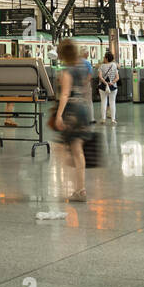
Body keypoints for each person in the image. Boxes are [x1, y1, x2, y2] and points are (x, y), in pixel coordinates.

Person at [54, 39, 96, 202]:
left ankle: (77, 188)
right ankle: (81, 189)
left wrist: (59, 115)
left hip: (72, 112)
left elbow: (65, 94)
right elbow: (85, 87)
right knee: (78, 151)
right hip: (83, 110)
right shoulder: (82, 67)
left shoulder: (67, 71)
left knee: (67, 149)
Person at [97, 52, 118, 124]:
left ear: (106, 58)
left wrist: (105, 83)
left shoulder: (101, 66)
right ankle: (113, 119)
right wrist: (112, 82)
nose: (103, 58)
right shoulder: (114, 65)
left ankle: (103, 119)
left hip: (103, 86)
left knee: (103, 102)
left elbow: (100, 76)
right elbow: (117, 77)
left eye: (104, 57)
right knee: (112, 102)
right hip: (113, 86)